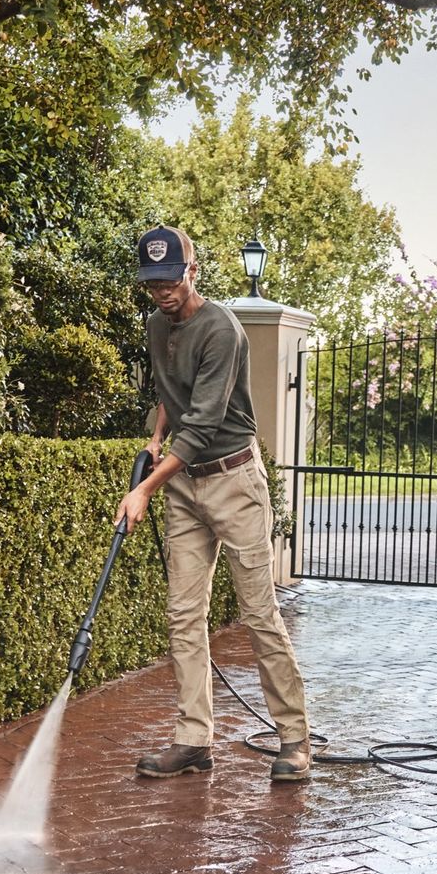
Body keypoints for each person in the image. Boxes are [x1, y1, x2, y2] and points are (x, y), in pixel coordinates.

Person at [114, 225, 313, 783]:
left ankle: (295, 739)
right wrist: (156, 438)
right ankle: (192, 740)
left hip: (234, 481)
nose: (162, 291)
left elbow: (202, 424)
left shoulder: (222, 329)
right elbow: (170, 393)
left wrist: (144, 489)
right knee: (183, 615)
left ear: (192, 272)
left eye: (171, 280)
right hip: (185, 485)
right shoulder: (157, 325)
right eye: (153, 282)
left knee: (259, 614)